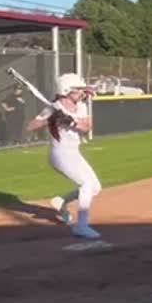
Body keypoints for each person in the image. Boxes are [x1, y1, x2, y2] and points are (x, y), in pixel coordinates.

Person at [32, 73, 103, 239]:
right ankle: (81, 226)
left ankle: (62, 201)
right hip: (60, 154)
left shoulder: (81, 107)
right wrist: (49, 119)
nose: (81, 92)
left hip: (74, 152)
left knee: (95, 188)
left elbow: (87, 128)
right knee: (86, 184)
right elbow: (31, 126)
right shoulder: (52, 107)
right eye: (77, 89)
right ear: (66, 91)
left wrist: (71, 122)